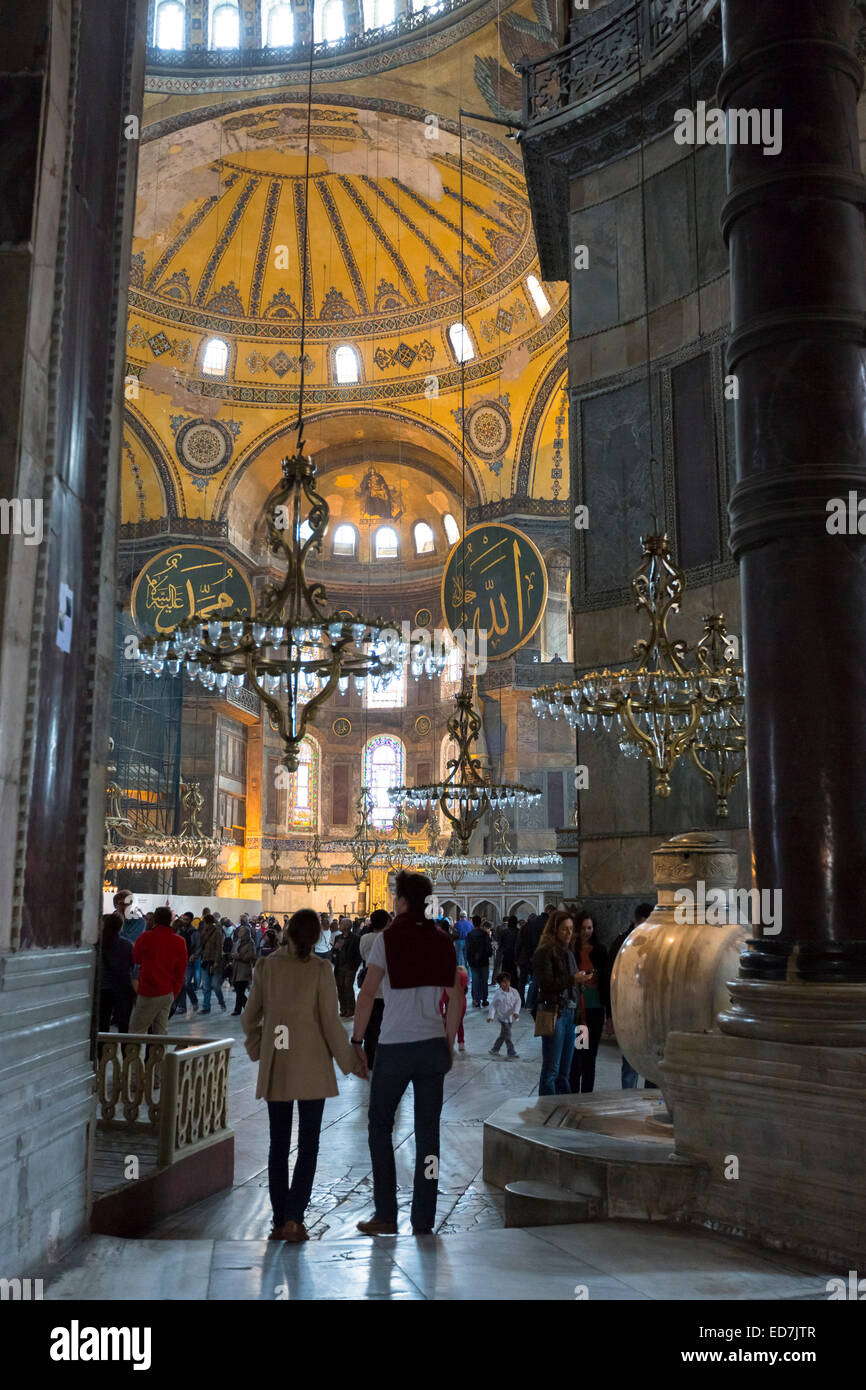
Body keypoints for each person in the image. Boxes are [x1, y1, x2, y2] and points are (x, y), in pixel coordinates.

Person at [242, 908, 367, 1243]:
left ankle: (279, 1220)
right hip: (311, 1068)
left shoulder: (266, 967)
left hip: (278, 1066)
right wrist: (351, 1059)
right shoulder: (321, 970)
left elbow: (248, 1017)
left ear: (287, 933)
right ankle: (295, 1219)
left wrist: (260, 1051)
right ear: (316, 938)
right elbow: (329, 1021)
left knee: (278, 1144)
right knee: (309, 1143)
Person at [351, 870, 462, 1237]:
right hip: (431, 1045)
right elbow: (457, 997)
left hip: (395, 1047)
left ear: (401, 901)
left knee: (380, 1126)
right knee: (428, 1134)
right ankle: (423, 1219)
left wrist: (356, 1041)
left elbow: (367, 994)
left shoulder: (388, 938)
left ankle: (386, 1213)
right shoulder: (444, 940)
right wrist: (447, 1041)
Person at [532, 910, 579, 1096]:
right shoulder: (544, 952)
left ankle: (562, 1110)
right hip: (555, 1013)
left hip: (570, 1012)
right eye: (564, 929)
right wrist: (573, 979)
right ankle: (546, 1111)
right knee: (551, 1069)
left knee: (564, 1071)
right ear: (554, 930)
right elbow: (546, 984)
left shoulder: (568, 952)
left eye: (570, 929)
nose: (568, 933)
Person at [607, 903, 653, 1087]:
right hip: (629, 1011)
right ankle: (629, 1099)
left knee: (653, 1064)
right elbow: (610, 978)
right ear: (636, 921)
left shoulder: (657, 942)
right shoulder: (622, 942)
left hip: (650, 1012)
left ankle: (652, 1103)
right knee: (630, 1063)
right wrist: (610, 1015)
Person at [129, 905, 187, 1036]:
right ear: (171, 921)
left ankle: (133, 1057)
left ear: (155, 920)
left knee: (136, 1032)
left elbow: (136, 958)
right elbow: (181, 970)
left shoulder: (146, 937)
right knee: (160, 1032)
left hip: (148, 991)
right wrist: (174, 992)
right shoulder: (179, 941)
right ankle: (158, 1056)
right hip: (167, 992)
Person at [569, 913, 610, 1093]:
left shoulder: (599, 950)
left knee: (590, 1055)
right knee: (578, 1054)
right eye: (583, 928)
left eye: (589, 928)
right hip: (580, 1011)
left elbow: (607, 981)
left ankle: (586, 1095)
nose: (586, 932)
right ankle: (573, 1095)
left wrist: (610, 1015)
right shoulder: (572, 951)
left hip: (594, 1009)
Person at [359, 909, 389, 1069]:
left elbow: (363, 956)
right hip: (386, 988)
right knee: (386, 1025)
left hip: (370, 986)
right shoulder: (389, 939)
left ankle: (370, 1059)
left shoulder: (365, 938)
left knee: (371, 1027)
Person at [98, 913, 135, 1032]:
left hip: (103, 988)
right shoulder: (127, 945)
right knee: (124, 1024)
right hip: (123, 988)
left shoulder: (98, 944)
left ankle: (103, 1049)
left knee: (103, 1023)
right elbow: (132, 966)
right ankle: (126, 1049)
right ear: (120, 927)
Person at [487, 971, 521, 1058]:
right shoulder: (498, 994)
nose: (506, 983)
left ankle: (495, 1049)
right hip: (503, 1018)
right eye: (503, 982)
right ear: (500, 983)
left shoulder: (514, 991)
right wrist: (491, 1016)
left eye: (507, 981)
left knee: (503, 1035)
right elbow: (493, 1006)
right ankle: (511, 1051)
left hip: (511, 1017)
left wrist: (516, 1012)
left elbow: (518, 1002)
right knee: (508, 1034)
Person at [199, 911, 227, 1014]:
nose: (204, 925)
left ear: (209, 923)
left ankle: (221, 1002)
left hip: (215, 963)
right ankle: (206, 1007)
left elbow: (219, 948)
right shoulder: (203, 932)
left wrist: (216, 962)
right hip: (205, 961)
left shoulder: (217, 933)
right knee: (206, 986)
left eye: (205, 923)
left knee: (215, 985)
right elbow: (201, 946)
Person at [332, 919, 361, 1018]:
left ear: (348, 926)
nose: (339, 925)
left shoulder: (356, 938)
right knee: (340, 987)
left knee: (348, 987)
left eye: (342, 924)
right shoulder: (338, 937)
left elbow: (358, 955)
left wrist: (354, 967)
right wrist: (335, 949)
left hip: (349, 967)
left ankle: (351, 1009)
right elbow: (333, 953)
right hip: (339, 966)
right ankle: (343, 1009)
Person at [440, 961, 468, 1053]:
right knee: (457, 1022)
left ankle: (448, 1043)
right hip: (458, 1002)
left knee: (450, 1022)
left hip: (456, 1002)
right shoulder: (462, 975)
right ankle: (459, 1042)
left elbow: (440, 1000)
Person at [466, 917, 493, 1008]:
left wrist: (469, 960)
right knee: (484, 981)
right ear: (481, 923)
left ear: (473, 923)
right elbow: (489, 948)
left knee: (475, 981)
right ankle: (484, 999)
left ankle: (476, 1000)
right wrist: (488, 955)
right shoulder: (485, 934)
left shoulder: (470, 934)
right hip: (484, 960)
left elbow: (468, 949)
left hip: (474, 961)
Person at [231, 924, 257, 1015]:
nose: (239, 932)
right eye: (239, 931)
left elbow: (252, 955)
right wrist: (233, 955)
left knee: (240, 990)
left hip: (244, 969)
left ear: (246, 933)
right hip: (236, 968)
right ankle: (248, 1008)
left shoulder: (250, 943)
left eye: (242, 931)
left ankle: (238, 1010)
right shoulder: (238, 941)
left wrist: (240, 956)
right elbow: (233, 951)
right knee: (239, 990)